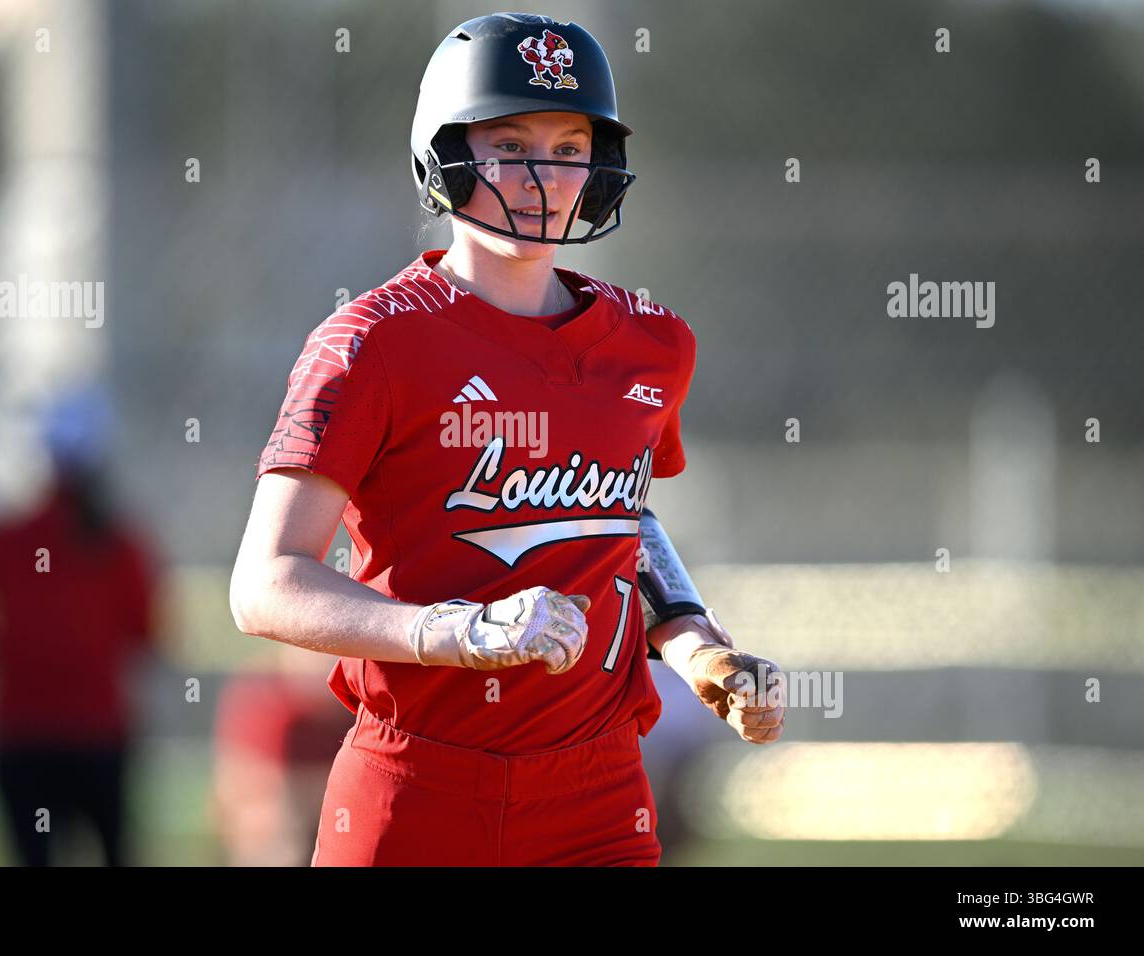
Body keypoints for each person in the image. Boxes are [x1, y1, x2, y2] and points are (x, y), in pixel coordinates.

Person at [231, 12, 784, 867]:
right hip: (417, 783)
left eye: (569, 147)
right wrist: (458, 634)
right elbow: (264, 585)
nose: (543, 177)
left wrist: (697, 645)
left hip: (599, 795)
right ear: (445, 156)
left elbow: (621, 524)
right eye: (511, 144)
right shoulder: (372, 341)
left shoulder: (653, 342)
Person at [0, 386, 160, 866]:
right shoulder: (120, 543)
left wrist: (7, 646)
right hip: (98, 734)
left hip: (20, 735)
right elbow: (147, 634)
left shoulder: (2, 535)